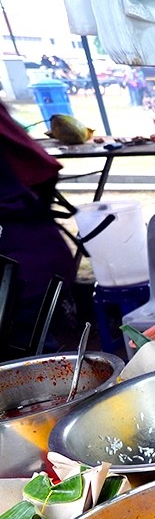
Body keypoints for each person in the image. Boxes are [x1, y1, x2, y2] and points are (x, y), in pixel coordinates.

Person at [0, 101, 75, 358]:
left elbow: (43, 171)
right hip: (31, 254)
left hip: (21, 267)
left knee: (30, 368)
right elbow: (43, 172)